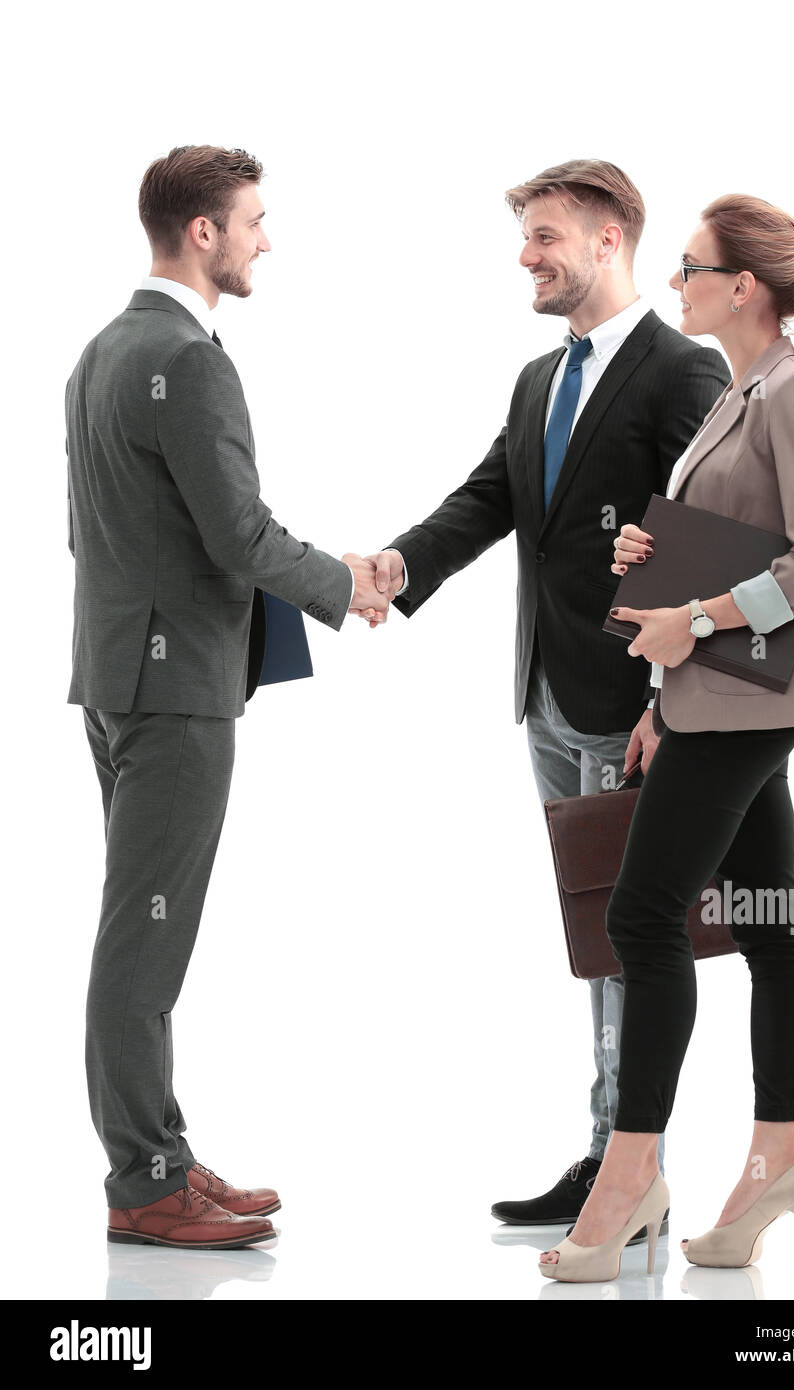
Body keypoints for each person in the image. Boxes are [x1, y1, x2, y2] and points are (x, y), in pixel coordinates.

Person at [359, 160, 729, 1229]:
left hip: (635, 702)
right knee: (595, 934)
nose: (525, 254)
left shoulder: (678, 369)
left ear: (609, 240)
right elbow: (489, 498)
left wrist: (671, 695)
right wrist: (390, 568)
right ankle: (614, 1156)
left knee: (640, 933)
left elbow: (705, 536)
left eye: (544, 235)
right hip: (549, 695)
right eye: (524, 235)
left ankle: (631, 1166)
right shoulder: (537, 379)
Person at [539, 194, 794, 1281]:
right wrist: (653, 562)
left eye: (688, 267)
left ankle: (631, 1175)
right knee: (769, 920)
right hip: (701, 697)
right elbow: (732, 547)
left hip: (746, 702)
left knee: (642, 916)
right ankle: (773, 1164)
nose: (672, 282)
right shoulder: (739, 396)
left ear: (745, 287)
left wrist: (703, 619)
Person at [66, 144, 386, 1249]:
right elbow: (236, 534)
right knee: (144, 940)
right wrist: (347, 584)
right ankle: (145, 1180)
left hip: (117, 678)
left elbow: (97, 533)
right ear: (201, 231)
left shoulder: (103, 351)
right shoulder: (186, 358)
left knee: (140, 928)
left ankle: (160, 1151)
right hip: (174, 694)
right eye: (253, 219)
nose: (263, 237)